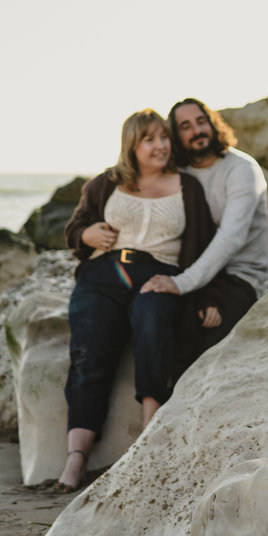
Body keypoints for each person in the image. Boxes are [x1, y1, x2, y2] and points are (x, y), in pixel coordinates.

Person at [55, 109, 221, 490]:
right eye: (149, 139)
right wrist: (87, 235)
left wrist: (209, 296)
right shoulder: (106, 183)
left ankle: (148, 437)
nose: (160, 146)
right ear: (132, 145)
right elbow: (75, 229)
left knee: (152, 321)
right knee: (89, 350)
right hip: (104, 274)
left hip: (158, 275)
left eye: (164, 138)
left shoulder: (187, 186)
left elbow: (205, 248)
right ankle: (76, 457)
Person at [140, 98, 268, 363]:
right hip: (191, 270)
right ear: (176, 135)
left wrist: (181, 284)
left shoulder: (242, 169)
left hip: (238, 277)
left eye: (202, 122)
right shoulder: (179, 173)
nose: (197, 131)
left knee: (201, 351)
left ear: (213, 124)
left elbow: (231, 237)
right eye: (186, 126)